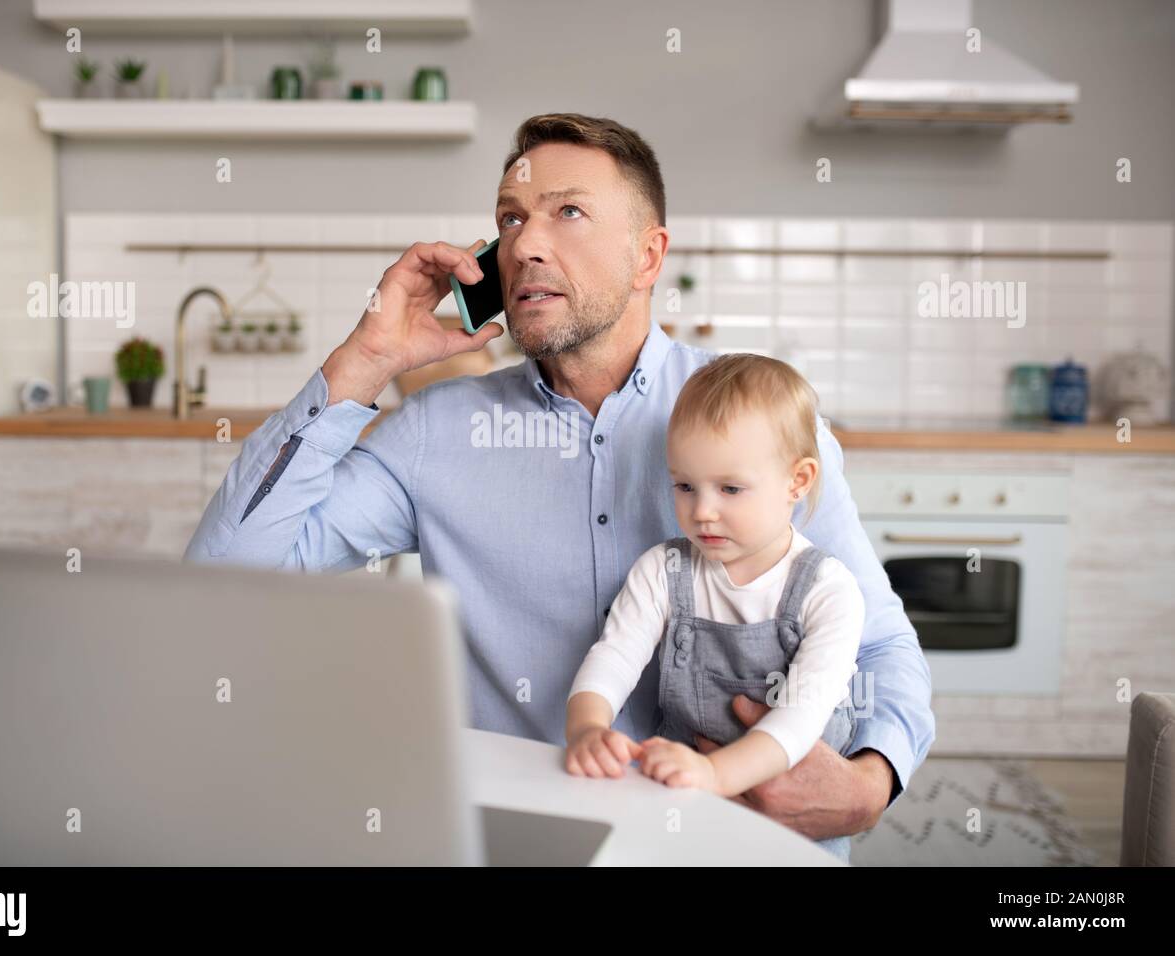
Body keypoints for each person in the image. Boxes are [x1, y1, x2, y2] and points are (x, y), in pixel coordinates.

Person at [185, 113, 935, 857]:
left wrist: (870, 785)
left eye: (567, 212)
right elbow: (223, 581)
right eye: (510, 220)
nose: (526, 244)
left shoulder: (761, 420)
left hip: (737, 842)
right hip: (527, 842)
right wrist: (364, 359)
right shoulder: (433, 433)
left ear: (649, 257)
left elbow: (878, 645)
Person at [565, 353, 866, 860]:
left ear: (798, 481)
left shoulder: (828, 591)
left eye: (730, 488)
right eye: (685, 486)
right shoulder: (663, 571)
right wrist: (587, 728)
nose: (702, 511)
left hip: (792, 826)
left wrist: (716, 774)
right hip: (684, 802)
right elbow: (614, 656)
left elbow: (799, 719)